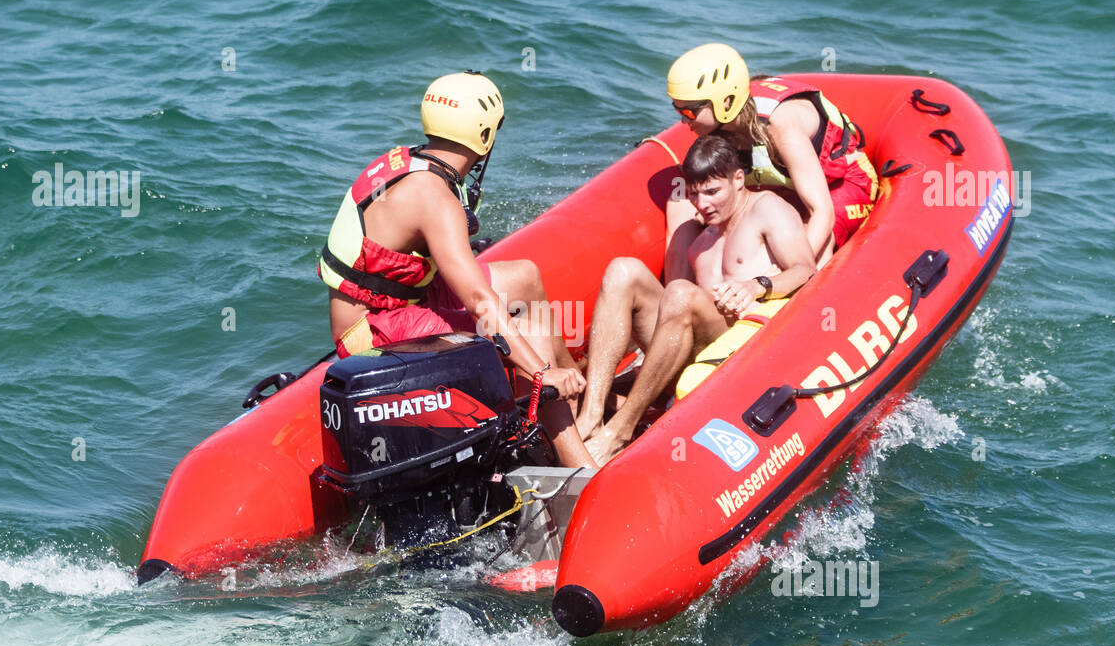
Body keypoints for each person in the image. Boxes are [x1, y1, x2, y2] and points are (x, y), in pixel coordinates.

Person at [318, 70, 595, 468]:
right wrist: (539, 373)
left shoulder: (414, 161)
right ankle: (579, 462)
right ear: (484, 137)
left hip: (400, 300)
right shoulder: (434, 195)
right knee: (530, 341)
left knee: (525, 277)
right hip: (371, 332)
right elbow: (480, 301)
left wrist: (554, 371)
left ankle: (574, 393)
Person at [577, 135, 816, 465]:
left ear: (737, 179)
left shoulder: (767, 209)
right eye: (694, 193)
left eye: (712, 191)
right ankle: (590, 415)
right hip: (690, 348)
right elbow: (675, 309)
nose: (702, 204)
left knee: (680, 292)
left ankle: (618, 432)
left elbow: (805, 269)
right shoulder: (701, 237)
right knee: (623, 270)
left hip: (741, 348)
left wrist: (758, 286)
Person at [664, 43, 878, 279]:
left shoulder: (780, 125)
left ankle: (787, 309)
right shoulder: (718, 126)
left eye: (689, 113)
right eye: (678, 111)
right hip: (784, 186)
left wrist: (778, 277)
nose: (684, 121)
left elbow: (822, 211)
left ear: (724, 103)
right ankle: (676, 290)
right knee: (680, 201)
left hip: (840, 183)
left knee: (812, 241)